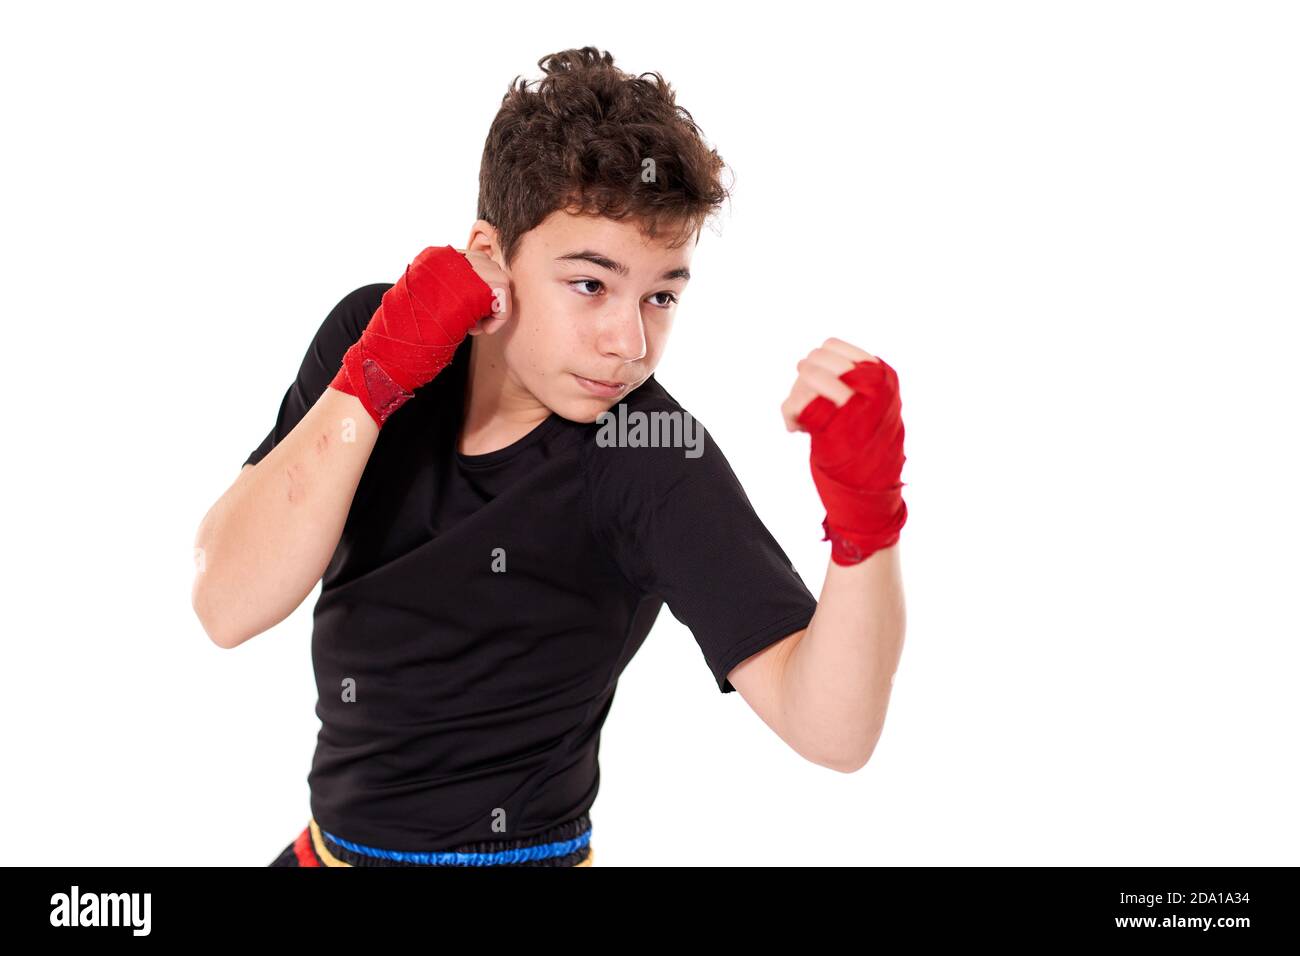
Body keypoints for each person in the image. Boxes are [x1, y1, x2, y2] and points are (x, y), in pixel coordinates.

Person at [192, 46, 908, 868]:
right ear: (490, 258)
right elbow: (225, 604)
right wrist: (369, 385)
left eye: (661, 295)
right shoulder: (373, 335)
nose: (630, 342)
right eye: (591, 284)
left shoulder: (646, 454)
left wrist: (868, 522)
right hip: (326, 855)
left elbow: (833, 731)